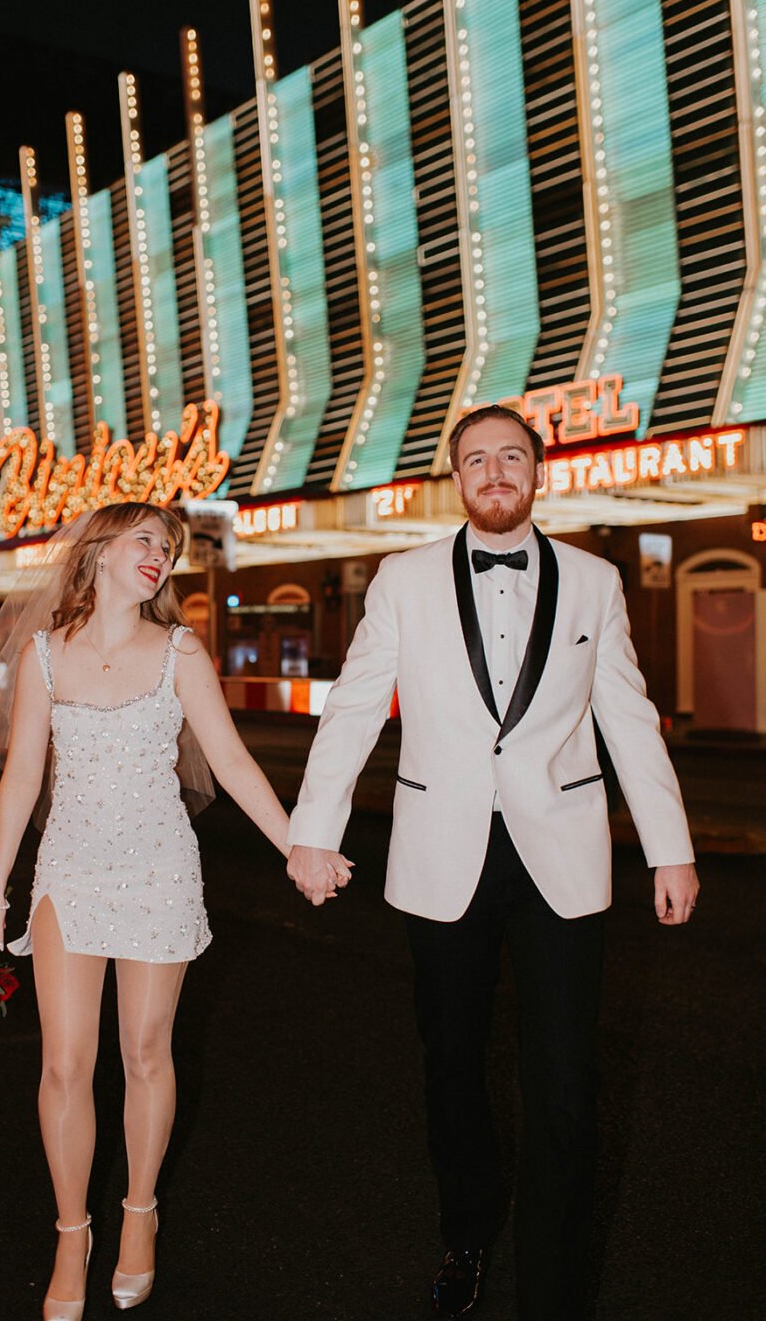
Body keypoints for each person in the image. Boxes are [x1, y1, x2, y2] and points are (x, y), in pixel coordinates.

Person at [285, 405, 698, 1320]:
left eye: (512, 455)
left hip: (563, 855)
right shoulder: (401, 579)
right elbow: (354, 707)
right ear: (458, 479)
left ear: (538, 472)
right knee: (453, 1064)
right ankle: (467, 1234)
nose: (495, 471)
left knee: (563, 1080)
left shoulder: (594, 581)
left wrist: (668, 848)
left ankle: (551, 1289)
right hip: (441, 853)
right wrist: (314, 829)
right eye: (477, 459)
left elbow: (628, 716)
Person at [0, 501, 290, 1321]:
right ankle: (71, 1233)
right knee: (63, 1063)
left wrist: (297, 846)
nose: (160, 555)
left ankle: (139, 1214)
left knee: (147, 1052)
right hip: (68, 871)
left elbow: (230, 759)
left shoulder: (179, 649)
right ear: (100, 550)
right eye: (146, 540)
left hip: (158, 867)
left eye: (170, 547)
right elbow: (21, 780)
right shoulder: (43, 655)